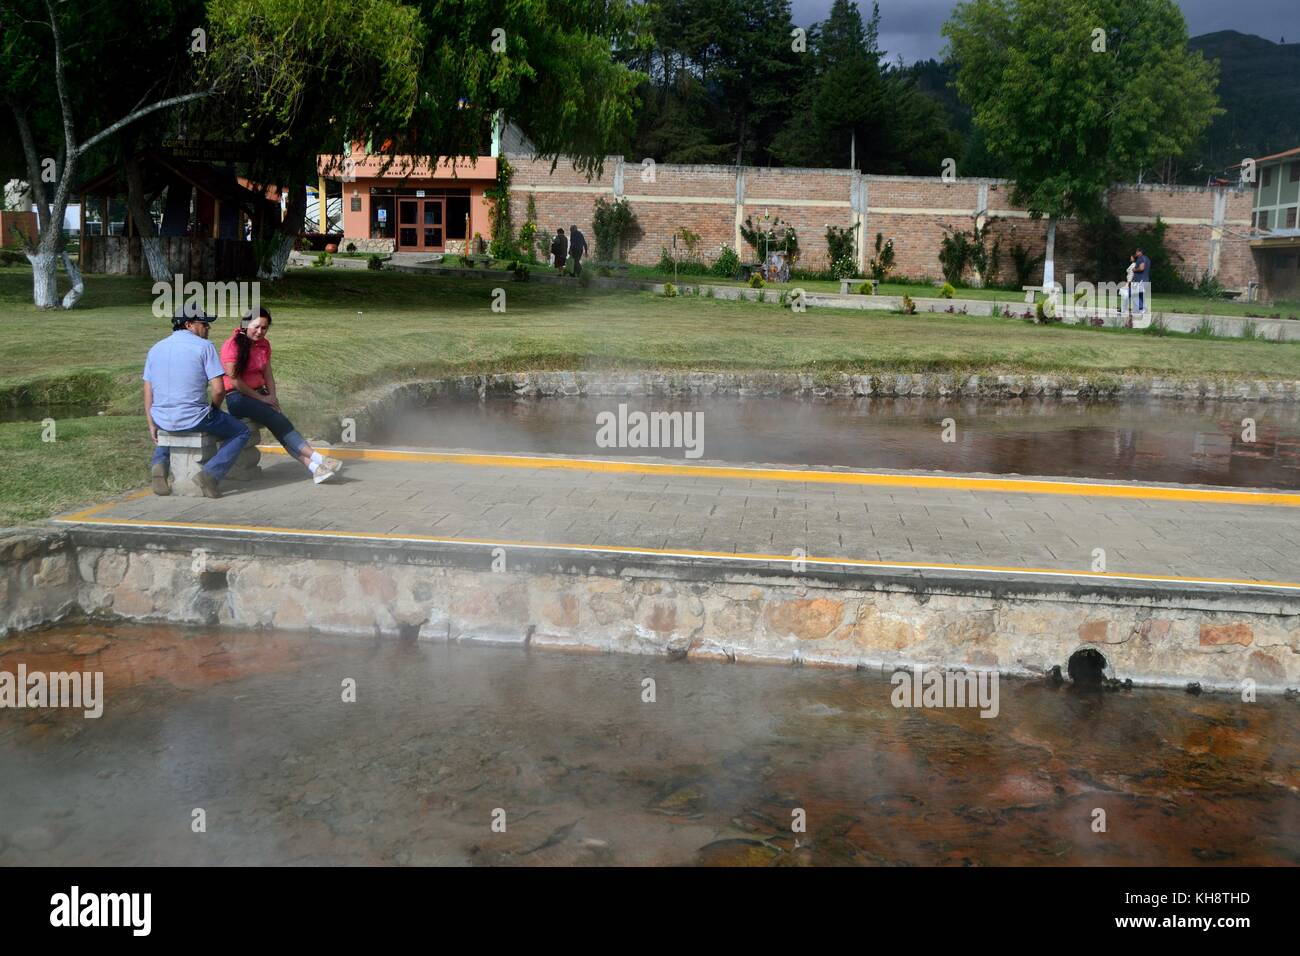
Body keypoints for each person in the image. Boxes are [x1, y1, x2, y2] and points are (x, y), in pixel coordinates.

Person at [221, 307, 342, 484]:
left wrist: (272, 397)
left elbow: (268, 375)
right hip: (237, 398)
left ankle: (316, 468)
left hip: (258, 396)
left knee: (279, 426)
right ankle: (321, 459)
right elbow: (234, 381)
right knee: (278, 420)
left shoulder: (264, 345)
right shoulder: (232, 344)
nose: (260, 331)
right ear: (245, 324)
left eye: (264, 328)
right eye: (256, 327)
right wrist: (263, 399)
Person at [144, 304, 251, 499]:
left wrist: (151, 422)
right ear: (189, 325)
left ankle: (159, 464)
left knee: (174, 419)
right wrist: (214, 410)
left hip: (161, 417)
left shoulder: (155, 349)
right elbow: (219, 390)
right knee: (241, 431)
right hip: (194, 417)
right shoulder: (204, 347)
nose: (208, 328)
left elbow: (148, 390)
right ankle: (209, 475)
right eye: (204, 324)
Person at [1132, 247, 1153, 315]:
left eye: (1136, 252)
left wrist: (1134, 270)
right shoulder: (1147, 259)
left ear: (1140, 252)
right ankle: (1140, 309)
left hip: (1140, 279)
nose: (1136, 253)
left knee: (1135, 294)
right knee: (1140, 295)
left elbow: (1141, 268)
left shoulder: (1141, 258)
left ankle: (1142, 309)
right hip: (1145, 279)